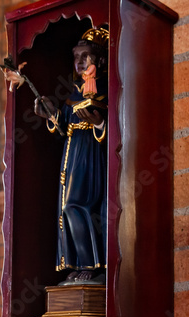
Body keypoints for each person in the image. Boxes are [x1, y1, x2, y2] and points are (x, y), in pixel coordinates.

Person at [34, 26, 109, 285]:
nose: (79, 62)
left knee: (78, 206)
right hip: (72, 153)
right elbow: (64, 125)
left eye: (85, 56)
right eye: (76, 56)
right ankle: (76, 264)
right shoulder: (75, 93)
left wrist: (99, 123)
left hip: (91, 155)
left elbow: (117, 130)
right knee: (65, 209)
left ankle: (93, 265)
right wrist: (52, 114)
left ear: (100, 60)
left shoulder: (107, 89)